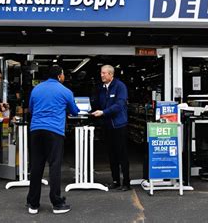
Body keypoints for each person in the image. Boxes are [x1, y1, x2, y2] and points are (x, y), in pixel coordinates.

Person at [26, 65, 79, 215]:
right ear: (59, 76)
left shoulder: (36, 89)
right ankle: (57, 203)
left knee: (36, 166)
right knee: (55, 166)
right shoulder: (65, 91)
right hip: (54, 131)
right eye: (63, 74)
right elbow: (74, 111)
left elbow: (31, 108)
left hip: (36, 130)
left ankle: (33, 203)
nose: (64, 77)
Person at [91, 65, 130, 191]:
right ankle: (115, 181)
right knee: (112, 155)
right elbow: (97, 103)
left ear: (111, 74)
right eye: (101, 73)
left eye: (104, 73)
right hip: (107, 126)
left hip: (119, 126)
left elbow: (119, 105)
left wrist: (103, 112)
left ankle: (126, 183)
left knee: (122, 155)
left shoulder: (120, 86)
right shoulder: (102, 88)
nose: (101, 75)